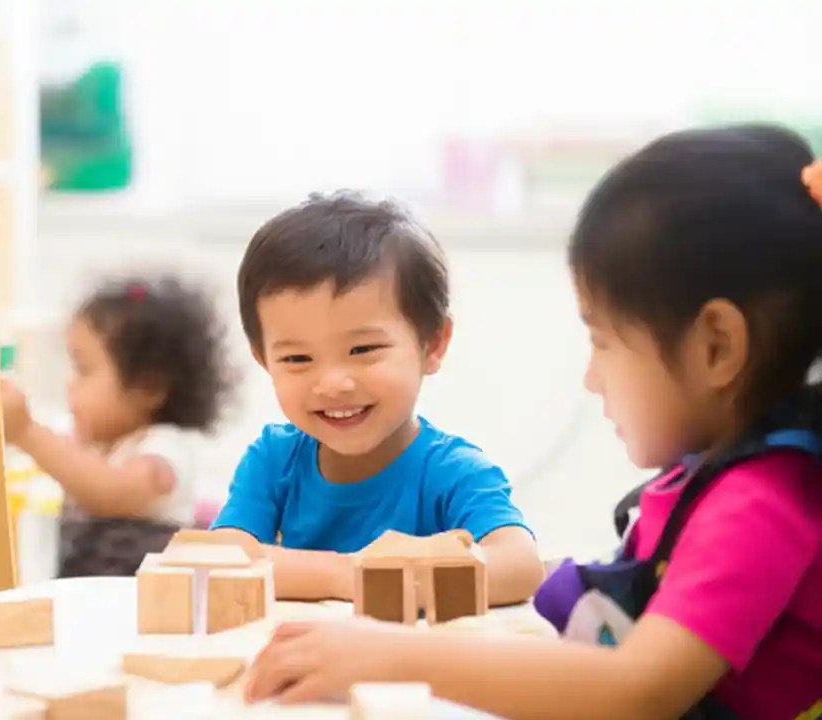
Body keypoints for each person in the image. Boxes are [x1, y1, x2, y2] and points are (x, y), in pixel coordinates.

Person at [245, 126, 822, 720]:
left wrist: (392, 656)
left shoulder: (760, 506)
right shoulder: (722, 484)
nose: (591, 379)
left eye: (602, 341)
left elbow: (638, 690)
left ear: (717, 347)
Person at [209, 192, 544, 605]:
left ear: (433, 344)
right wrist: (341, 575)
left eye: (363, 350)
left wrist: (398, 582)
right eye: (297, 358)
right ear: (263, 361)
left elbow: (521, 567)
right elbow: (219, 560)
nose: (332, 383)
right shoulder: (273, 460)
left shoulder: (453, 472)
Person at [0, 275, 234, 577]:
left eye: (84, 370)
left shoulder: (163, 448)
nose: (69, 384)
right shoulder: (98, 447)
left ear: (147, 387)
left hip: (142, 610)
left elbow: (110, 493)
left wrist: (27, 432)